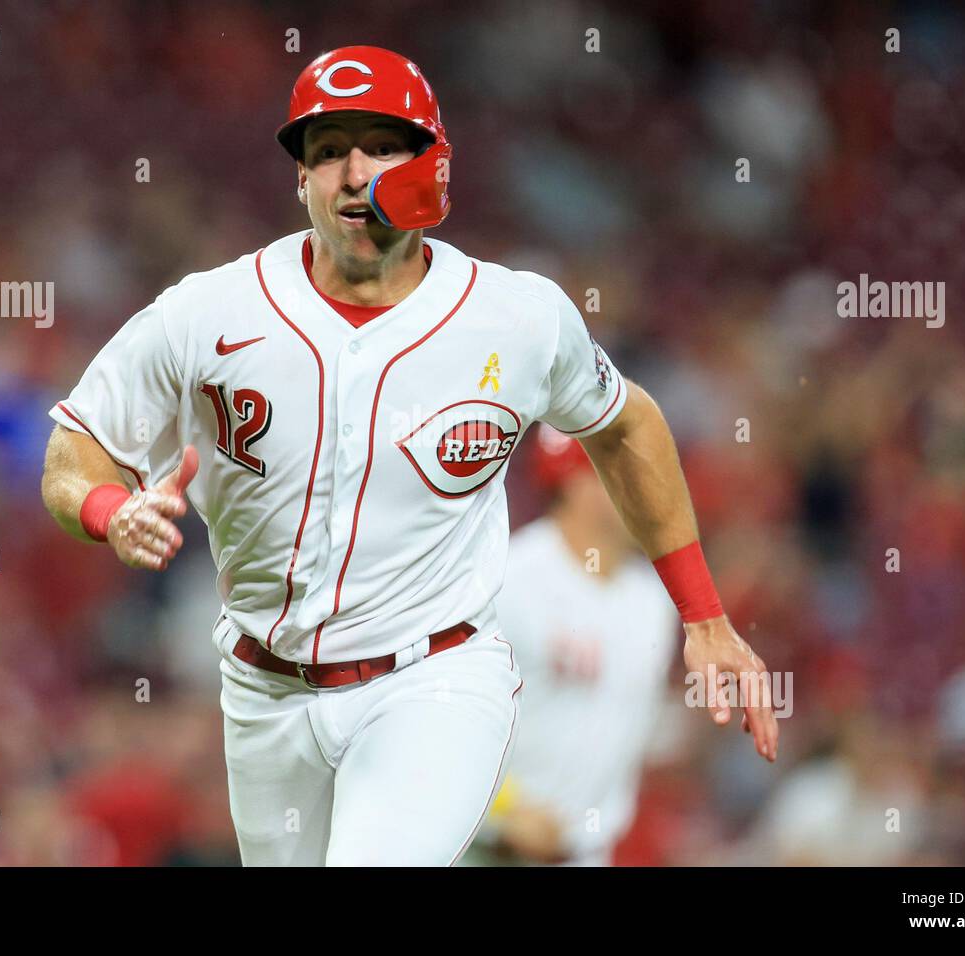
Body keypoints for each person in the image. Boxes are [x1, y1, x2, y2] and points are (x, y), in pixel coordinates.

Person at [39, 45, 777, 867]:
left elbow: (626, 424)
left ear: (435, 164)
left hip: (434, 678)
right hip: (262, 694)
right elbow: (76, 451)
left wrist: (705, 617)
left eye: (380, 146)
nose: (353, 173)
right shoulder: (209, 311)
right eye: (326, 153)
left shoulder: (518, 318)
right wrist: (109, 509)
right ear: (301, 182)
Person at [469, 424, 682, 866]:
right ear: (580, 482)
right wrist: (504, 810)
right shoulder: (507, 579)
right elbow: (444, 719)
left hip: (584, 854)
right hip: (483, 847)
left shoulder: (654, 602)